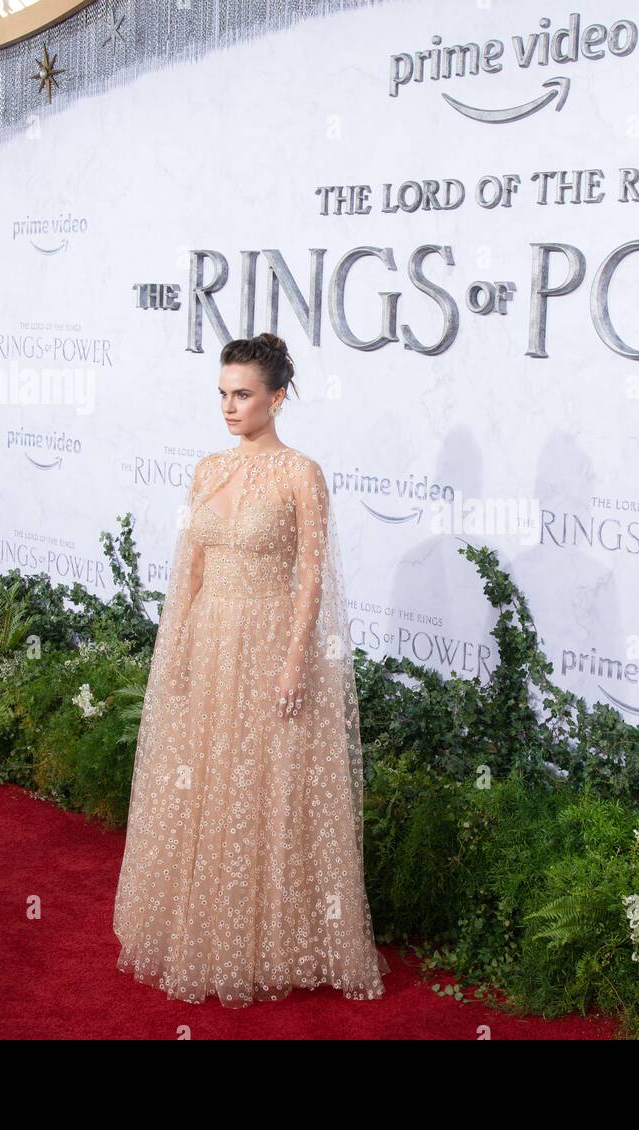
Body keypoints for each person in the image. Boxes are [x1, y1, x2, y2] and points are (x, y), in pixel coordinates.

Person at [112, 331, 390, 1006]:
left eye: (243, 395)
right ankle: (204, 931)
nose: (229, 407)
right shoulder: (207, 469)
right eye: (223, 394)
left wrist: (296, 661)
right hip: (209, 642)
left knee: (265, 788)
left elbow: (312, 579)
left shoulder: (302, 474)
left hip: (270, 645)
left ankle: (274, 938)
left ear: (278, 397)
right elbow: (191, 572)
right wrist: (173, 652)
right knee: (206, 782)